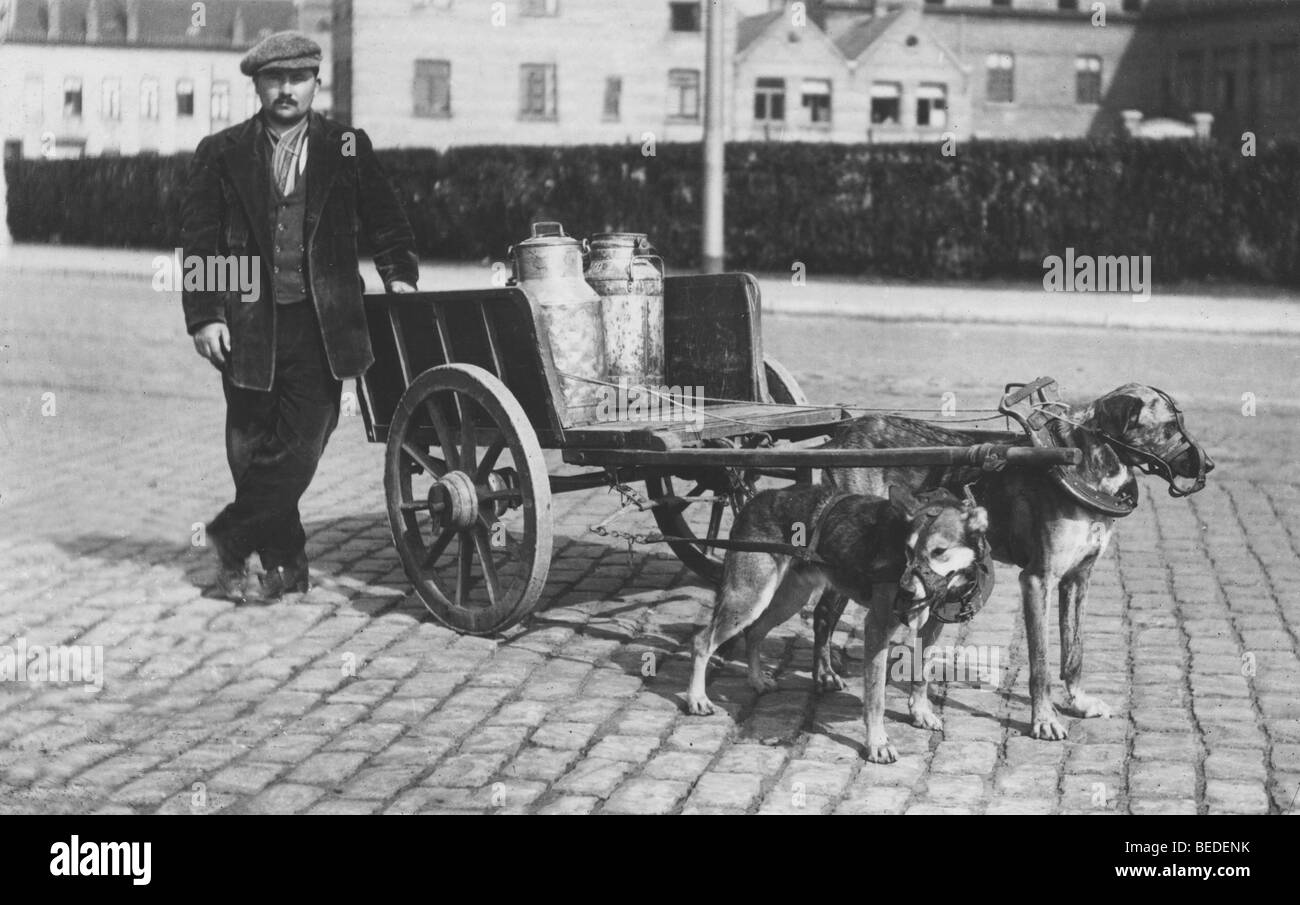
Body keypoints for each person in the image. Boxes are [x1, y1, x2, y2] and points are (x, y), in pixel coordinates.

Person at [181, 31, 419, 602]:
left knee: (302, 445)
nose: (286, 89)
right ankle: (285, 566)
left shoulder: (346, 145)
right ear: (257, 84)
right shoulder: (223, 151)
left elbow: (385, 221)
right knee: (249, 446)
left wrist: (400, 276)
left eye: (298, 78)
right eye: (274, 79)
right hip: (247, 325)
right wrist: (207, 316)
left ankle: (231, 536)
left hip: (325, 324)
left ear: (317, 81)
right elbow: (201, 239)